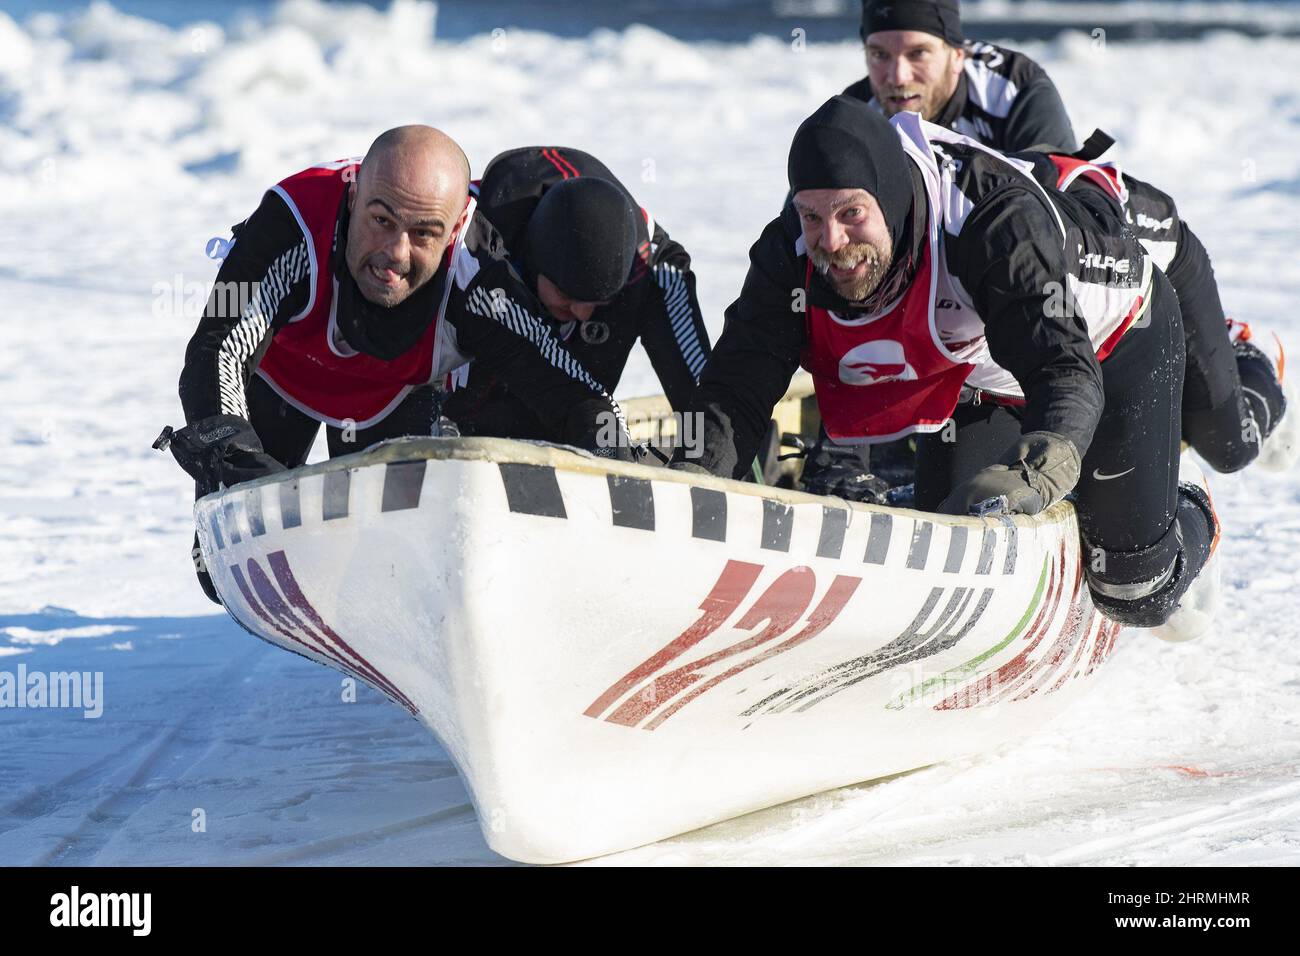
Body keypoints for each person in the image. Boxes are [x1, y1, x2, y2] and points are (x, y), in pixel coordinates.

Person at [674, 95, 1218, 635]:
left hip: (1112, 344)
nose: (831, 241)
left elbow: (1063, 369)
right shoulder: (791, 248)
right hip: (979, 369)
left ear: (888, 197)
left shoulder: (990, 221)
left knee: (1132, 592)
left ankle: (1187, 506)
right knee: (950, 545)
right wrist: (692, 479)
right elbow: (737, 384)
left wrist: (1037, 472)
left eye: (851, 214)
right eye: (812, 215)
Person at [163, 126, 630, 603]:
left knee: (389, 572)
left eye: (423, 233)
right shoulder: (291, 223)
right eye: (382, 220)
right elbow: (215, 349)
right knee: (227, 574)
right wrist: (239, 462)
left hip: (392, 396)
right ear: (352, 198)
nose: (395, 253)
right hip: (281, 380)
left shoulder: (478, 271)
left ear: (452, 232)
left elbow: (576, 392)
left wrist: (621, 483)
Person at [842, 0, 1292, 482]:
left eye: (917, 54)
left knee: (1229, 446)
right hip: (1011, 287)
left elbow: (1041, 230)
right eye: (879, 56)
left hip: (1125, 254)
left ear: (957, 53)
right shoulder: (859, 118)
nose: (896, 75)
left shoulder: (1012, 89)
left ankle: (1240, 353)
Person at [442, 147, 710, 449]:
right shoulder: (463, 249)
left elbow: (702, 393)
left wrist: (708, 449)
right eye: (566, 296)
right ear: (530, 265)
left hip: (573, 431)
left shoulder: (647, 262)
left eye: (599, 301)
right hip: (461, 430)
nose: (583, 313)